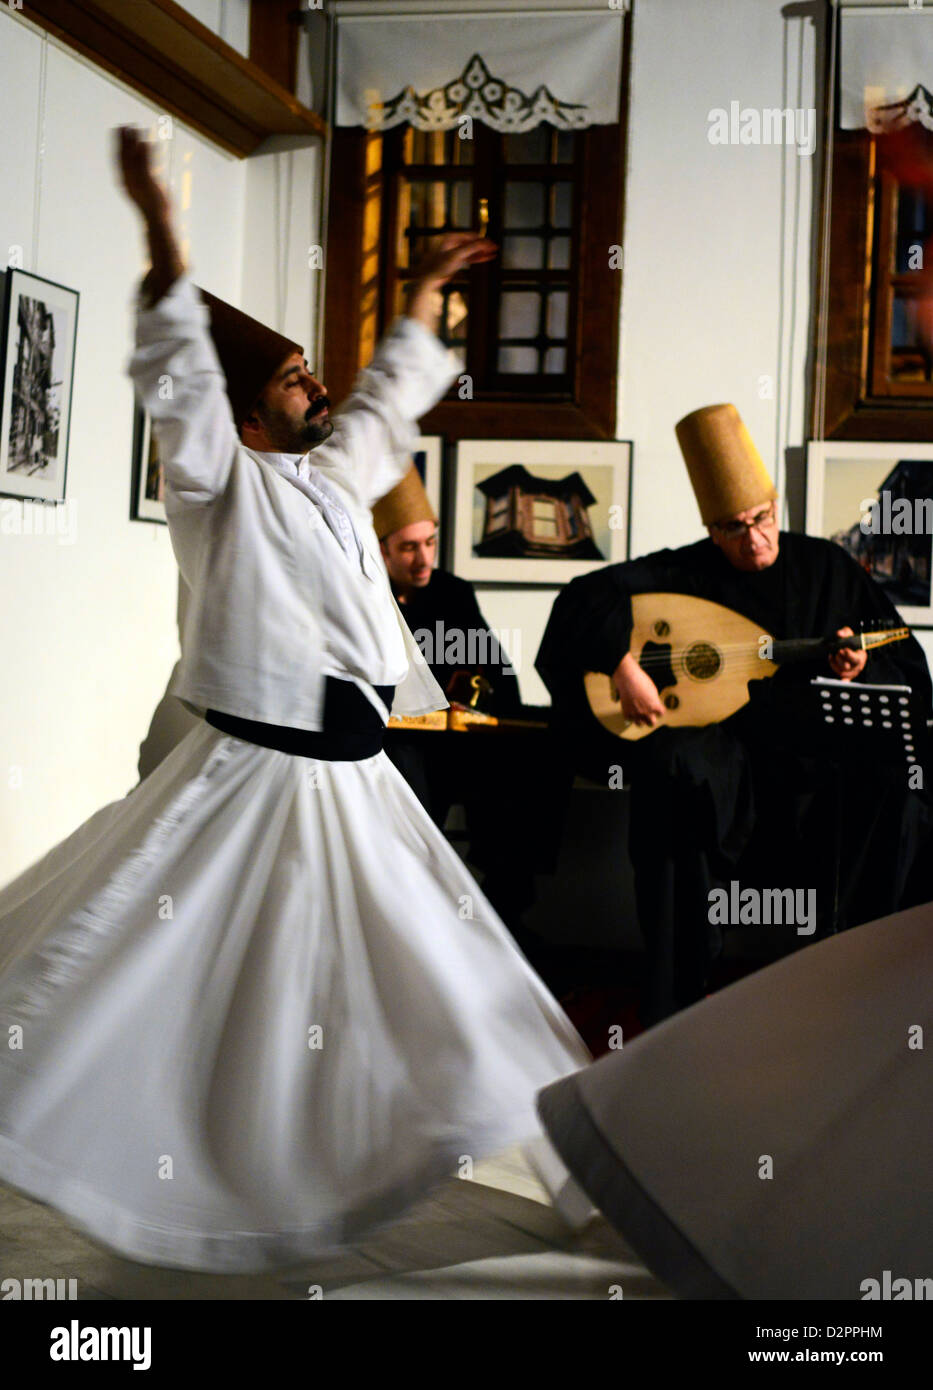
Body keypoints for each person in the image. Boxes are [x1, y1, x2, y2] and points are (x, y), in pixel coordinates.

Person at [0, 126, 590, 1274]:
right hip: (256, 778)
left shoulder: (325, 480)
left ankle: (552, 1156)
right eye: (291, 379)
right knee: (111, 967)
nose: (317, 387)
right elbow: (178, 364)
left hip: (360, 784)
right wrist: (164, 224)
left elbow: (380, 406)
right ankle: (191, 1170)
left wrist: (420, 293)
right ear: (244, 412)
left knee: (461, 976)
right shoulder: (215, 482)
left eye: (310, 372)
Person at [537, 403, 932, 1025]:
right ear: (710, 529)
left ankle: (861, 989)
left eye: (762, 518)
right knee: (673, 768)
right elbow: (582, 599)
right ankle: (677, 1003)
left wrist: (863, 669)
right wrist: (620, 662)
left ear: (776, 508)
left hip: (816, 766)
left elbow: (905, 664)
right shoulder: (687, 571)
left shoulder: (827, 568)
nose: (753, 539)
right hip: (729, 760)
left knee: (900, 791)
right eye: (732, 527)